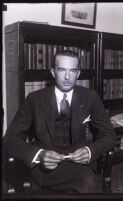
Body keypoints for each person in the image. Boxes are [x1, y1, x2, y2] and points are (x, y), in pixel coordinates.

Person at [3, 51, 116, 193]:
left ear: (78, 73)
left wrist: (90, 151)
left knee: (88, 181)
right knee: (88, 182)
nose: (67, 77)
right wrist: (39, 154)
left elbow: (109, 135)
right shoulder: (34, 99)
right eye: (62, 70)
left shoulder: (90, 97)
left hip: (79, 162)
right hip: (46, 167)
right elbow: (9, 140)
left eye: (72, 71)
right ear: (53, 72)